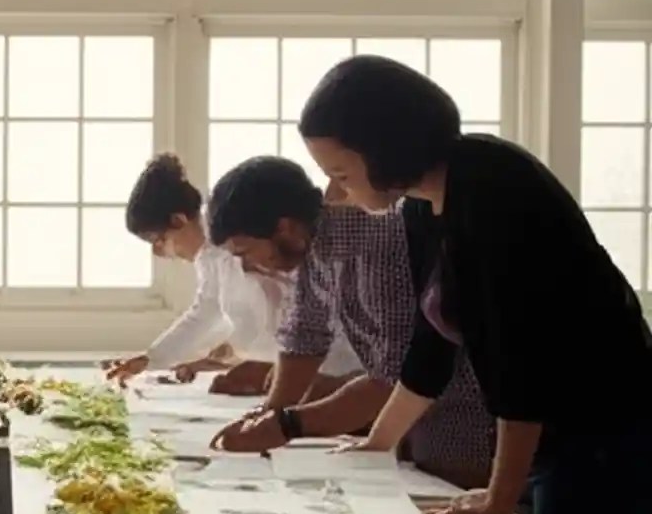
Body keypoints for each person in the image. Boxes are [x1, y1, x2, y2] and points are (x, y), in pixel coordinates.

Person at [298, 54, 652, 514]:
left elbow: (518, 355)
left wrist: (498, 498)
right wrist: (378, 443)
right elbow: (432, 342)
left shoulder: (492, 184)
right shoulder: (421, 205)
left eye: (339, 174)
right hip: (550, 435)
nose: (333, 194)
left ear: (384, 148)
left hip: (605, 428)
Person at [205, 156, 496, 492]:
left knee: (458, 511)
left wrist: (287, 424)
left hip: (463, 418)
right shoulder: (316, 248)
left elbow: (396, 376)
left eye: (244, 252)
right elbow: (304, 337)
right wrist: (268, 413)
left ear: (284, 228)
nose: (246, 266)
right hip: (410, 423)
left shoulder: (375, 243)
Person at [105, 153, 361, 398]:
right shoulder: (219, 254)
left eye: (159, 240)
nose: (247, 267)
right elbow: (206, 312)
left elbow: (304, 327)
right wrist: (153, 358)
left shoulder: (314, 251)